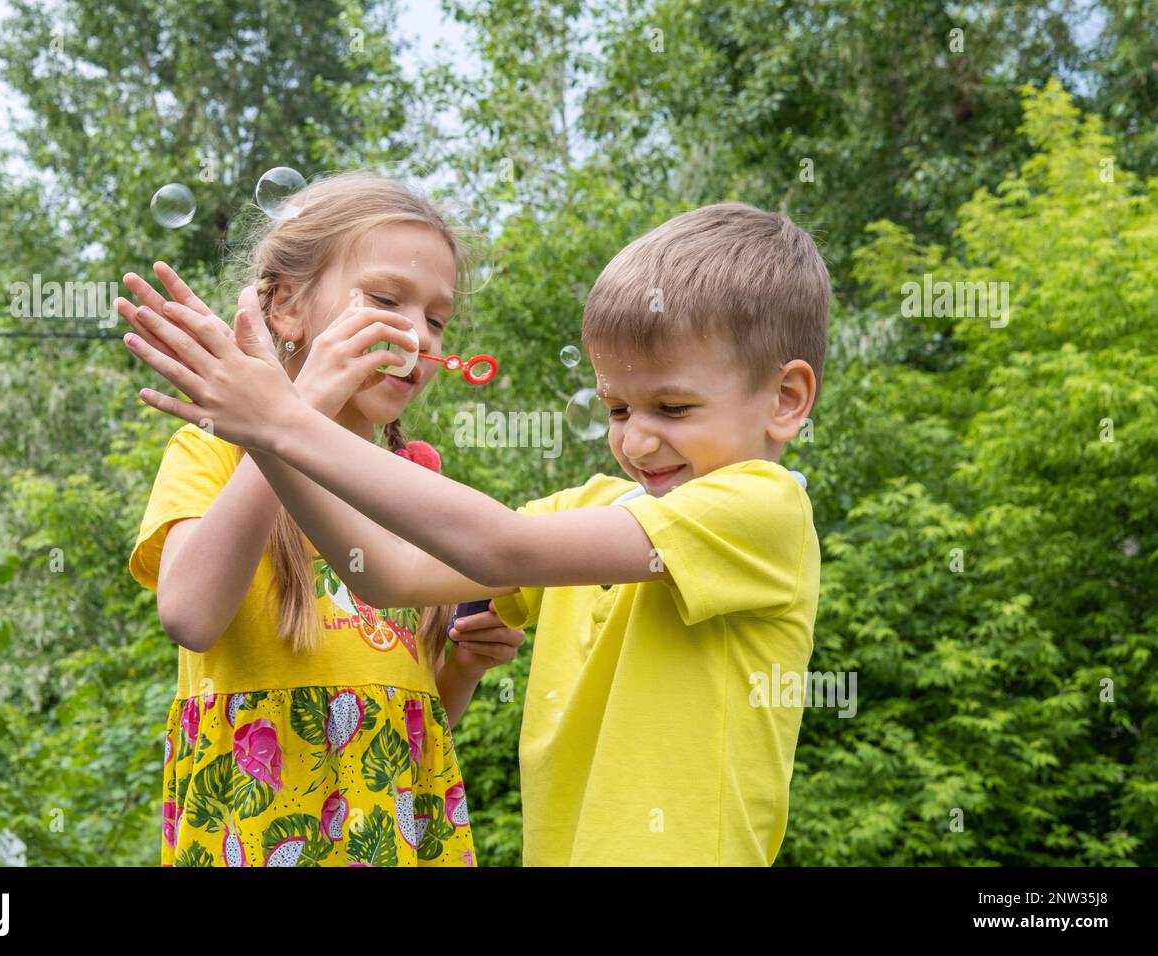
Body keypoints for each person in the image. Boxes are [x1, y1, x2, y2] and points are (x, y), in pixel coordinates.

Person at [123, 200, 829, 866]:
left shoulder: (762, 509)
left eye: (672, 406)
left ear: (786, 399)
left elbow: (499, 547)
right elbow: (387, 571)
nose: (639, 442)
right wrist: (272, 432)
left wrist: (280, 421)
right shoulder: (590, 506)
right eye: (617, 410)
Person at [122, 172, 524, 866]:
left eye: (436, 319)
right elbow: (188, 614)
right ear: (286, 307)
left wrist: (461, 668)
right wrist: (290, 418)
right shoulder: (214, 452)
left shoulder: (413, 492)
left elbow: (408, 725)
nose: (416, 334)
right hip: (256, 829)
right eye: (387, 299)